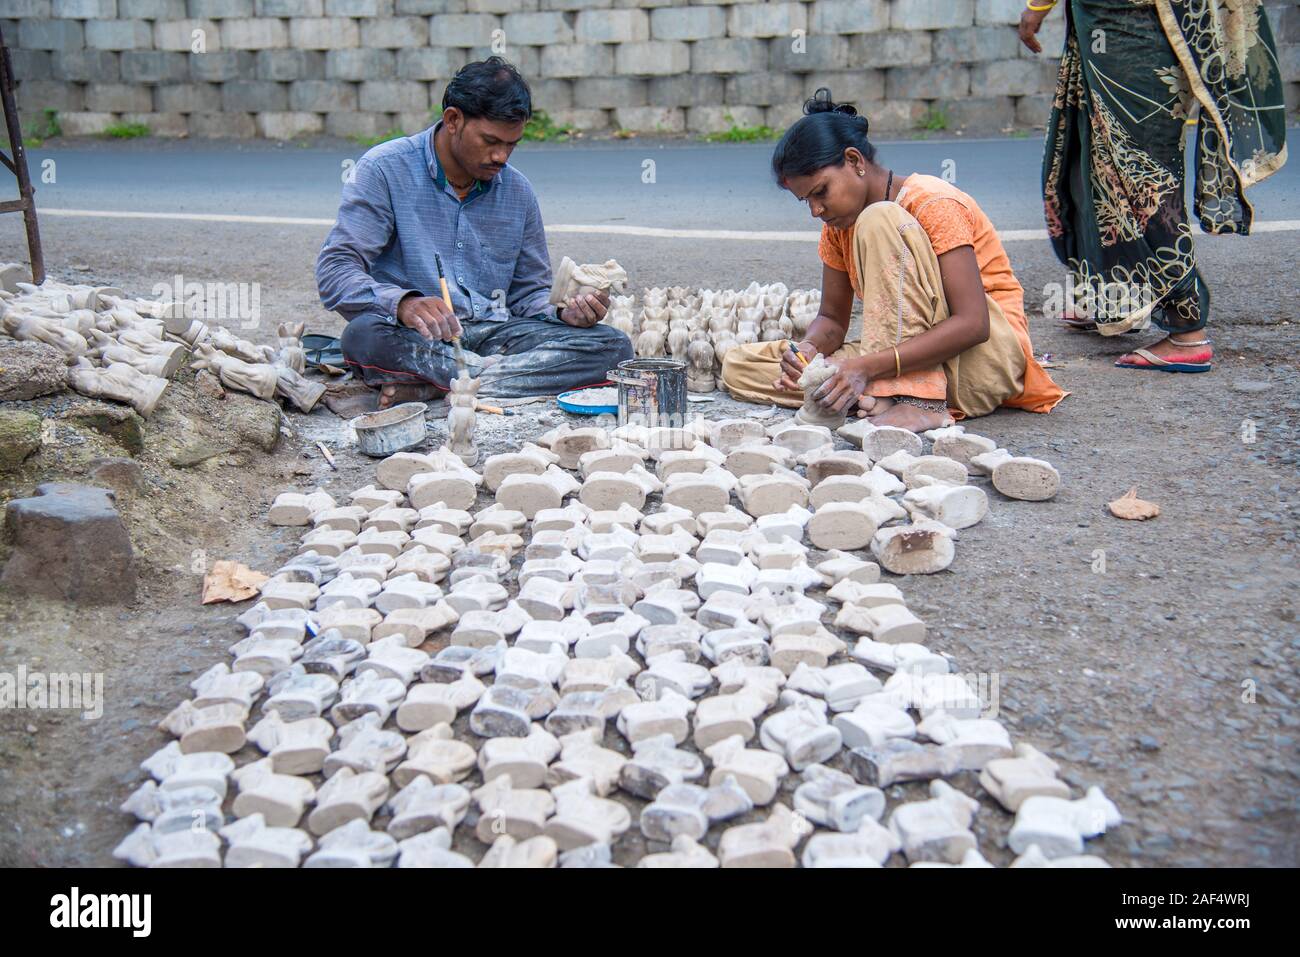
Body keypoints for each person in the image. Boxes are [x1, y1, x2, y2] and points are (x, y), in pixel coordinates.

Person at [721, 89, 1066, 431]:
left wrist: (866, 367)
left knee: (878, 218)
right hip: (914, 355)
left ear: (855, 161)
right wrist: (808, 350)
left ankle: (918, 400)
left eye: (820, 192)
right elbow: (831, 320)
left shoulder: (932, 202)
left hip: (983, 360)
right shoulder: (838, 227)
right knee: (739, 364)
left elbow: (974, 324)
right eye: (805, 201)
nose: (815, 211)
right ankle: (869, 395)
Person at [316, 56, 633, 406]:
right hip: (419, 338)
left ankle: (446, 384)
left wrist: (564, 314)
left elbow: (528, 295)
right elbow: (336, 271)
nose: (501, 157)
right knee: (362, 337)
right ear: (453, 120)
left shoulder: (517, 192)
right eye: (490, 141)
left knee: (612, 347)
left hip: (496, 335)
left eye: (512, 145)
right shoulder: (384, 170)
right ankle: (491, 379)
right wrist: (404, 303)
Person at [1021, 0, 1286, 372]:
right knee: (1098, 159)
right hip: (1112, 24)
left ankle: (1186, 330)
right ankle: (1111, 295)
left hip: (1134, 24)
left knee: (1139, 174)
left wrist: (1038, 5)